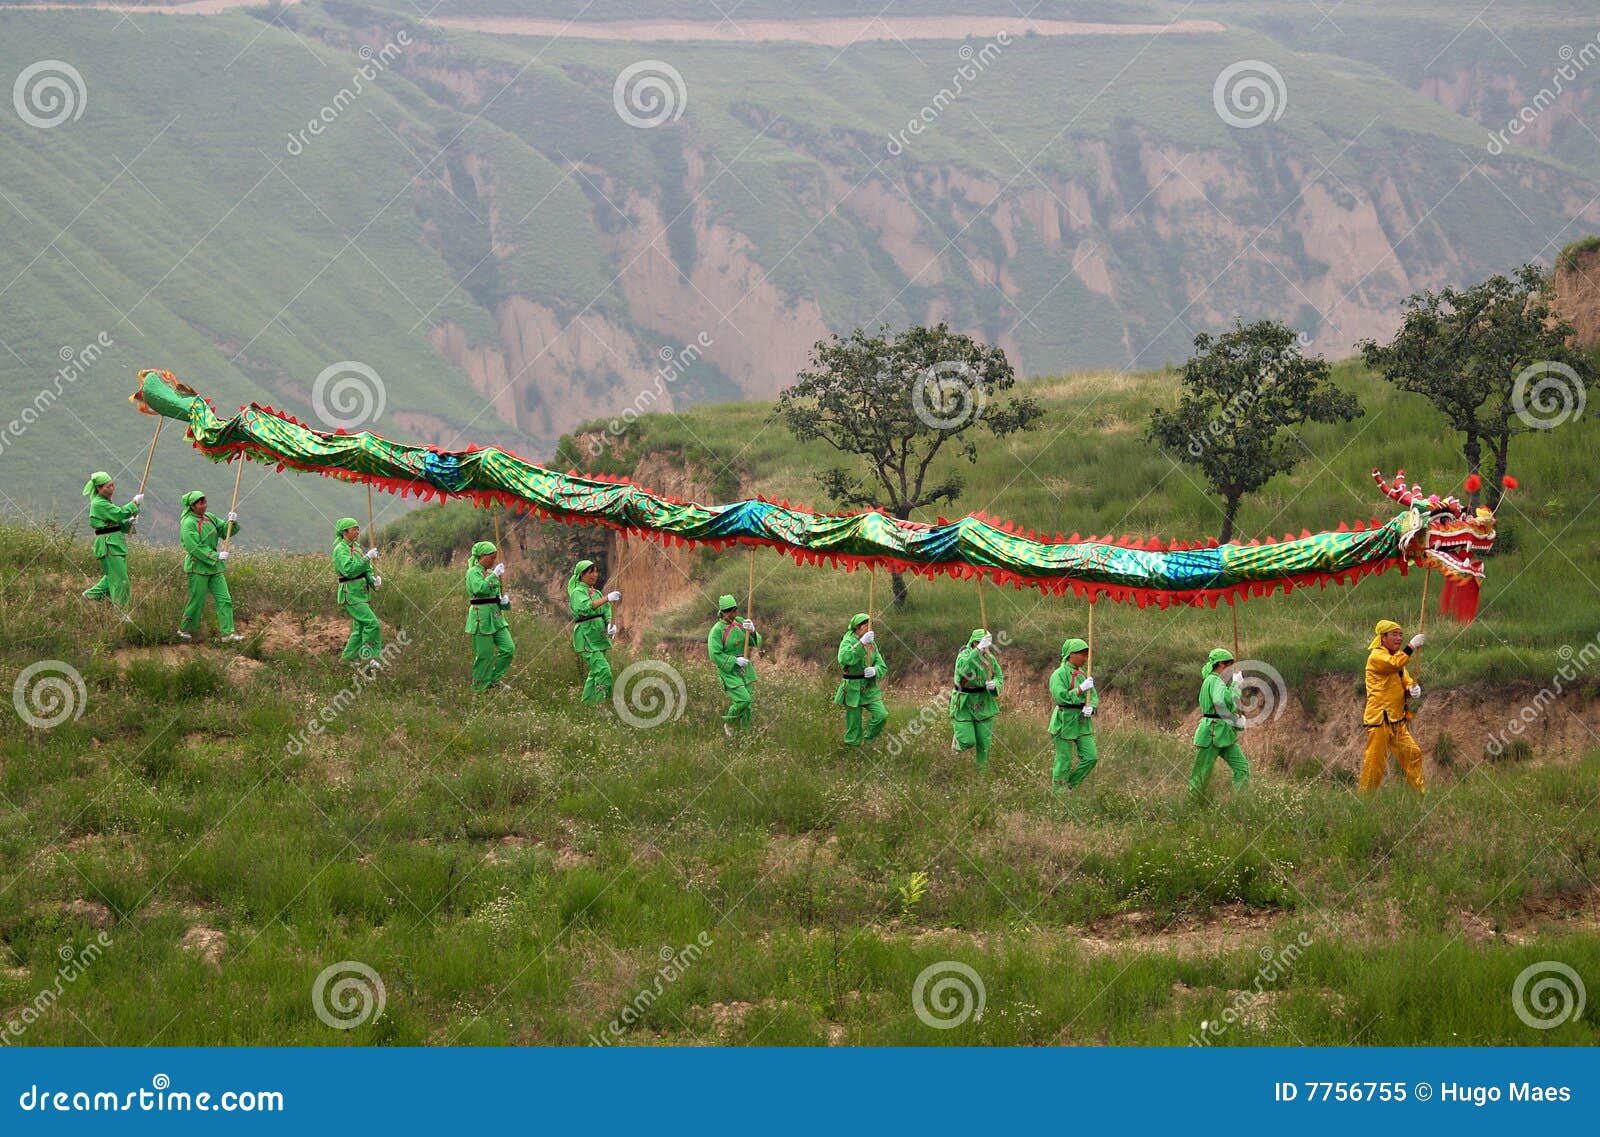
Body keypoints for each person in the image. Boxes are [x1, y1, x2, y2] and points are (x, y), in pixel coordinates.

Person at [1360, 619, 1427, 793]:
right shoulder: (1377, 657)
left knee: (1413, 753)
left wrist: (1412, 688)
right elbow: (1394, 664)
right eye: (1394, 634)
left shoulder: (1395, 658)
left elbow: (1404, 679)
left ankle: (1420, 794)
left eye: (1401, 635)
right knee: (1375, 764)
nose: (1399, 638)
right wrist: (1411, 646)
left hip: (1397, 720)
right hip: (1380, 720)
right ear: (1383, 638)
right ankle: (1365, 801)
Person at [178, 490, 242, 642]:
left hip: (214, 568)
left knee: (224, 599)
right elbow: (192, 546)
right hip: (198, 567)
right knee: (197, 600)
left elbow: (224, 531)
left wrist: (231, 523)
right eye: (200, 503)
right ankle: (185, 630)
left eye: (204, 501)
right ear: (192, 506)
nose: (204, 505)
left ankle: (228, 633)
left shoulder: (210, 518)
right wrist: (215, 556)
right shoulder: (188, 523)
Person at [1189, 647, 1249, 797]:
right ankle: (1193, 803)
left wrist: (1236, 722)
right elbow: (1221, 703)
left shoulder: (1218, 682)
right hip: (1212, 733)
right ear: (1221, 664)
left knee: (1242, 768)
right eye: (1230, 665)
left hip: (1225, 734)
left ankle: (1240, 803)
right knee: (1202, 773)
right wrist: (1236, 685)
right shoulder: (1214, 681)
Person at [81, 471, 142, 615]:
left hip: (116, 543)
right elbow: (118, 514)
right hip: (108, 544)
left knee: (112, 576)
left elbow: (116, 521)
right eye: (108, 486)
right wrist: (134, 504)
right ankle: (122, 613)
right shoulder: (98, 503)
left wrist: (129, 522)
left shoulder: (106, 502)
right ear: (99, 489)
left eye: (113, 485)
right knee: (121, 580)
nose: (112, 488)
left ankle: (90, 596)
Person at [1049, 637, 1098, 791]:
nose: (1085, 657)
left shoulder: (1084, 675)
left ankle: (1070, 786)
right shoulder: (1059, 674)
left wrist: (1092, 707)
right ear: (1071, 654)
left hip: (1082, 721)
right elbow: (1060, 696)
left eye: (1086, 654)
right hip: (1065, 719)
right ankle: (1059, 792)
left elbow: (1094, 696)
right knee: (1064, 760)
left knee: (1091, 757)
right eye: (1082, 654)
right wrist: (1079, 690)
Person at [950, 628, 1003, 770]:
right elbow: (963, 669)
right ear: (974, 643)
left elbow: (998, 675)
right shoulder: (964, 655)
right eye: (983, 644)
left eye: (988, 644)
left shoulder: (990, 659)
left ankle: (981, 776)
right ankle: (958, 742)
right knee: (968, 741)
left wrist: (995, 685)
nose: (987, 648)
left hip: (983, 702)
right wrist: (977, 651)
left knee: (984, 744)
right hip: (964, 702)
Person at [568, 559, 619, 705]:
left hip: (599, 635)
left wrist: (609, 624)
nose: (595, 575)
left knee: (594, 673)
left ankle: (587, 704)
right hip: (586, 636)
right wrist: (607, 598)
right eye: (591, 572)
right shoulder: (577, 593)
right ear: (582, 575)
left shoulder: (596, 593)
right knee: (604, 671)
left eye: (596, 571)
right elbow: (584, 608)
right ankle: (599, 704)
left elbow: (606, 610)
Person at [466, 540, 515, 691]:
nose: (493, 561)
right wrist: (494, 575)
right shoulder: (473, 572)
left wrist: (504, 601)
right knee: (485, 655)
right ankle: (479, 688)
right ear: (482, 556)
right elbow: (480, 589)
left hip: (496, 618)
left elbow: (496, 593)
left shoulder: (491, 573)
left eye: (495, 558)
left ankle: (494, 680)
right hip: (481, 618)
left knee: (508, 649)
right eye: (491, 557)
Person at [708, 594, 761, 736]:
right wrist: (734, 660)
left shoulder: (741, 622)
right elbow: (714, 654)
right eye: (728, 611)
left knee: (748, 707)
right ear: (722, 612)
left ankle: (744, 734)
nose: (732, 614)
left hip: (745, 669)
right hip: (729, 672)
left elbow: (755, 642)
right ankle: (730, 722)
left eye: (734, 610)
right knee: (743, 700)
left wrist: (753, 631)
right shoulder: (717, 630)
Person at [333, 518, 381, 665]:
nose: (357, 532)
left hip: (361, 593)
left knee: (359, 628)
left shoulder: (357, 548)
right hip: (350, 594)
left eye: (358, 529)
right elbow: (349, 570)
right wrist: (367, 557)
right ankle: (369, 657)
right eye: (354, 529)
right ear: (344, 532)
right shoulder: (340, 550)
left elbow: (366, 569)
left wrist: (373, 580)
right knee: (372, 623)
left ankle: (348, 660)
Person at [834, 612, 887, 746]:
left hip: (869, 688)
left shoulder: (872, 644)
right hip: (852, 687)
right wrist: (861, 644)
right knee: (854, 723)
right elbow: (845, 658)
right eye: (866, 625)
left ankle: (868, 740)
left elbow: (882, 666)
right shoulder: (847, 641)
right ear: (857, 627)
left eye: (871, 626)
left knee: (881, 715)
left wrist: (875, 670)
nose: (870, 629)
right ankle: (852, 747)